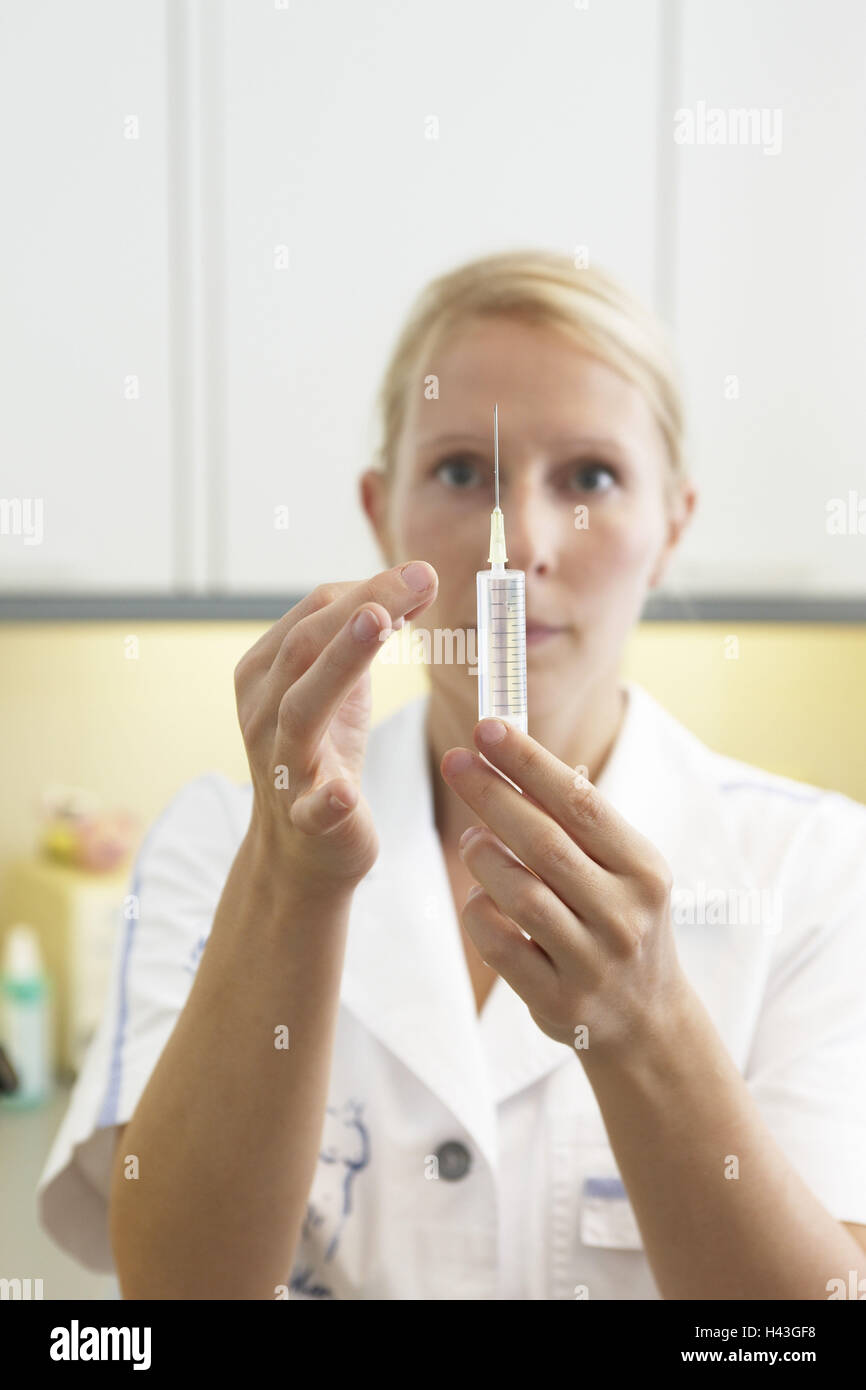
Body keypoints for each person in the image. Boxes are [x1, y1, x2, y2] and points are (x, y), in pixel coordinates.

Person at [38, 249, 866, 1300]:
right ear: (381, 509)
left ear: (672, 525)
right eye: (462, 472)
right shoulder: (223, 846)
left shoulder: (819, 869)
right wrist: (288, 886)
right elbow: (178, 1296)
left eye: (591, 477)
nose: (518, 542)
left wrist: (647, 1029)